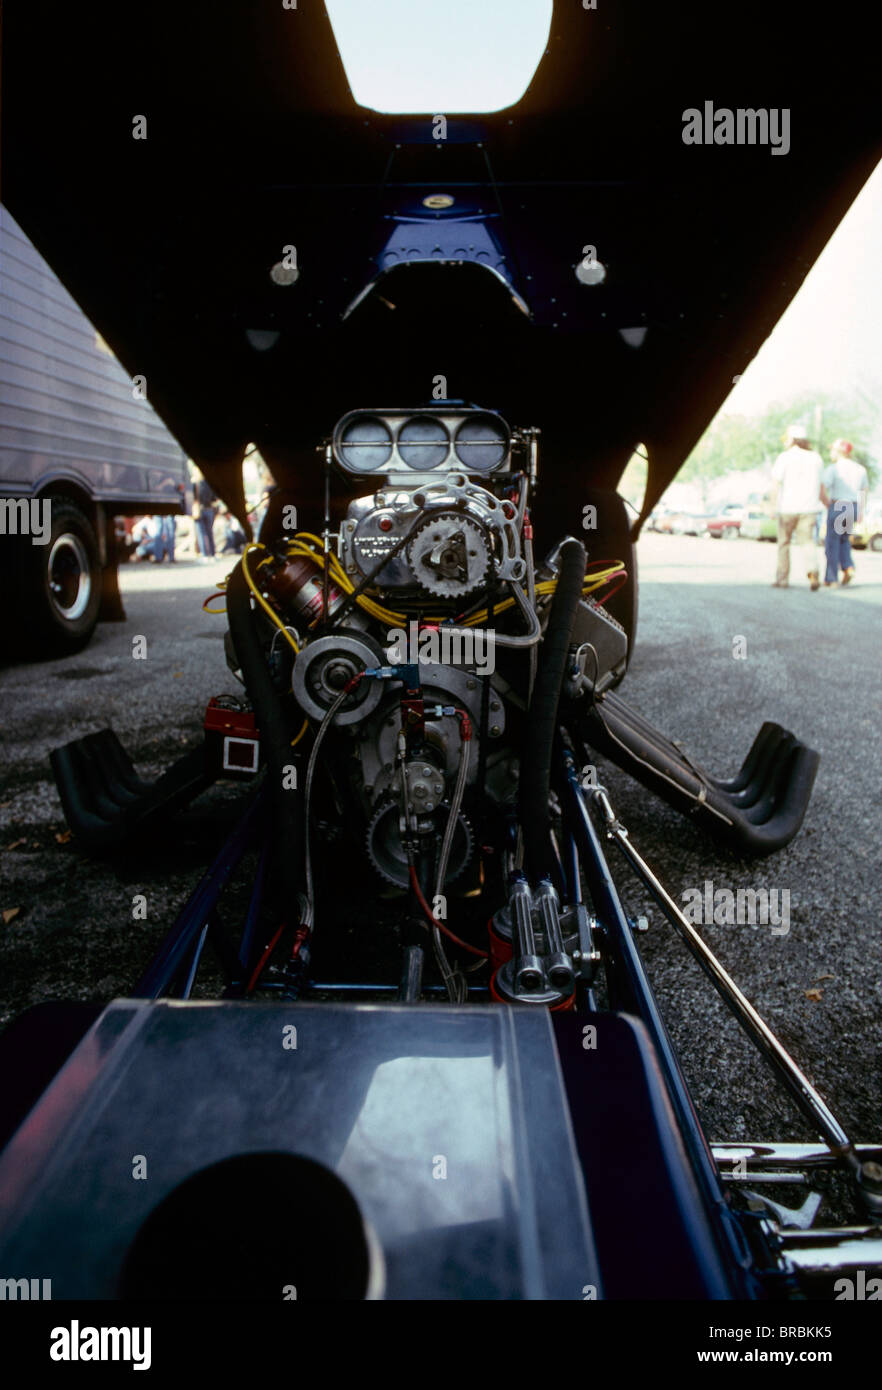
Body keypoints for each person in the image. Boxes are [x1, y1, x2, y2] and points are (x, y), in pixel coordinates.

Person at [770, 423, 825, 590]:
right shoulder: (816, 458)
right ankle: (813, 572)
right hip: (809, 509)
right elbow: (821, 485)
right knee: (807, 542)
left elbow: (776, 484)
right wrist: (825, 501)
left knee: (784, 544)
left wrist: (773, 505)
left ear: (793, 439)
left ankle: (782, 579)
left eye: (787, 439)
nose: (785, 442)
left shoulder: (784, 457)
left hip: (787, 508)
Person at [821, 439, 868, 587]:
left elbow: (822, 487)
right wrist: (860, 511)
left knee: (832, 543)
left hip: (838, 504)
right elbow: (864, 490)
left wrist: (826, 502)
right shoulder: (860, 469)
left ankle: (831, 578)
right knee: (844, 540)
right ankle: (848, 567)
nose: (831, 453)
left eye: (832, 450)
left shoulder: (834, 468)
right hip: (851, 507)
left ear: (839, 452)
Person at [191, 467, 218, 561]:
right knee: (210, 533)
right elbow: (215, 499)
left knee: (201, 533)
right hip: (209, 509)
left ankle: (204, 555)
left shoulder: (195, 484)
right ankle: (213, 554)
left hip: (199, 510)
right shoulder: (209, 484)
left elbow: (192, 498)